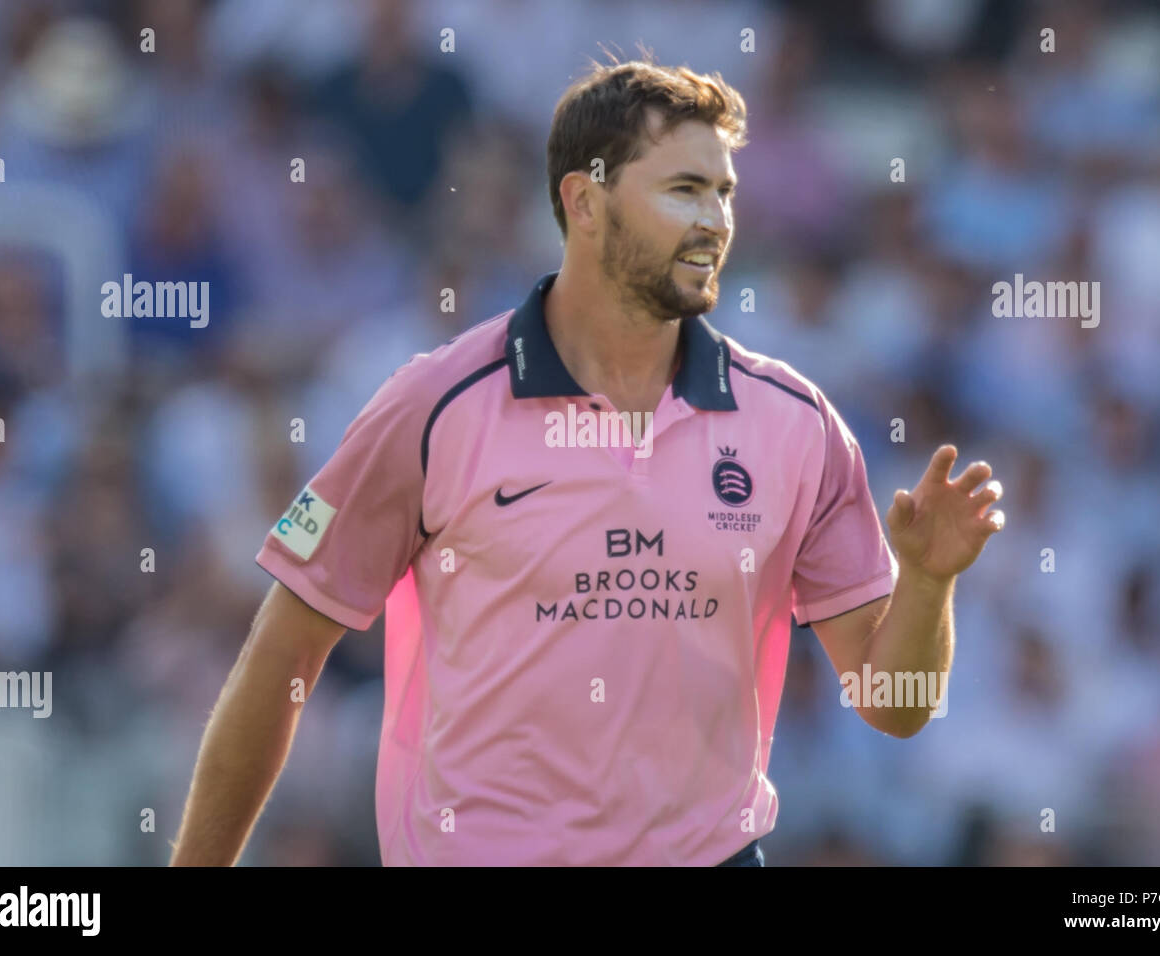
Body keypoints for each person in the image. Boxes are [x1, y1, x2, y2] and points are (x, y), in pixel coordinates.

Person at [169, 57, 1005, 867]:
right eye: (684, 189)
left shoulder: (797, 424)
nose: (715, 220)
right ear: (584, 201)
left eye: (724, 193)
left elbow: (893, 708)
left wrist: (928, 582)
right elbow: (281, 656)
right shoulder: (432, 406)